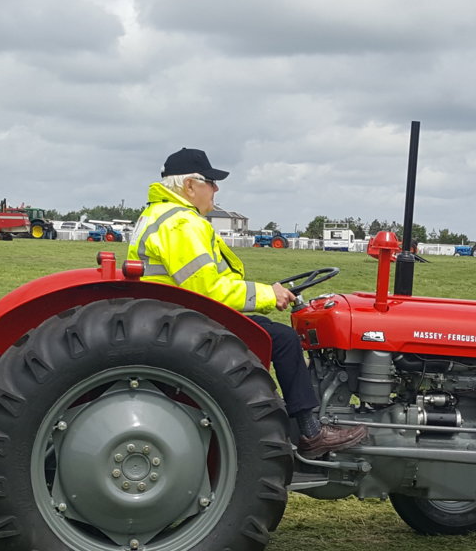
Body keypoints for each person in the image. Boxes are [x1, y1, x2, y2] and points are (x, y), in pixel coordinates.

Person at [129, 148, 366, 455]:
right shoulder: (181, 224)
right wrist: (269, 295)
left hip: (171, 316)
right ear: (189, 186)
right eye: (210, 181)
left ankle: (297, 416)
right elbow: (208, 290)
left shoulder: (158, 214)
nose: (216, 189)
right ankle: (311, 431)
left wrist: (270, 290)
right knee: (281, 339)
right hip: (185, 320)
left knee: (269, 331)